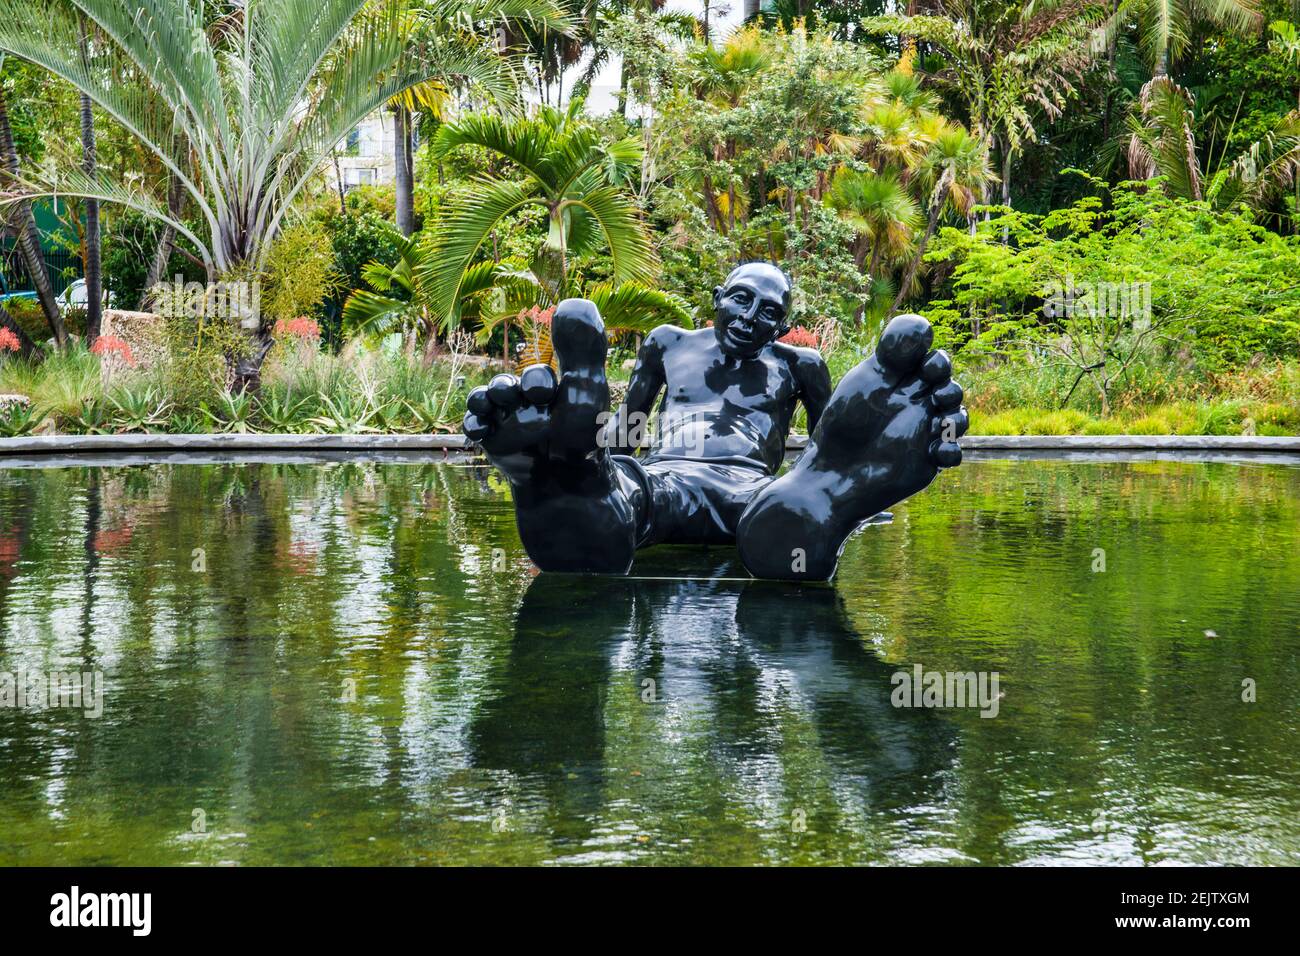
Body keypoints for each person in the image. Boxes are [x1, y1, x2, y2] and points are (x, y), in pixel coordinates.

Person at [463, 261, 967, 580]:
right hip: (662, 479)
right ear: (718, 297)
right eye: (741, 299)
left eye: (769, 312)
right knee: (623, 492)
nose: (750, 317)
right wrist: (595, 469)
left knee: (799, 492)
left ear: (784, 327)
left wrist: (841, 484)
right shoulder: (668, 343)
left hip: (751, 489)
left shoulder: (800, 366)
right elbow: (631, 426)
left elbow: (824, 442)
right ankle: (578, 499)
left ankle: (823, 501)